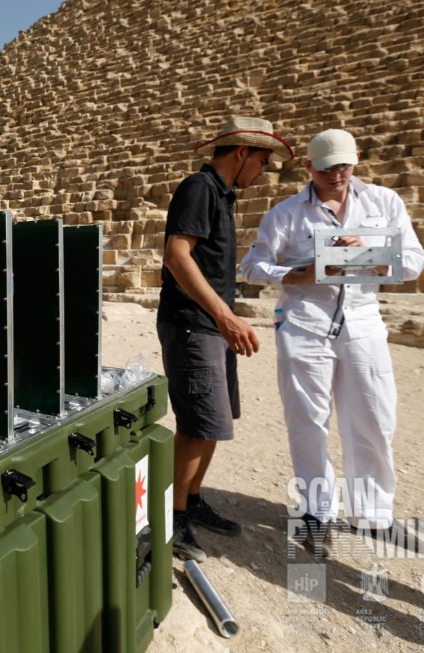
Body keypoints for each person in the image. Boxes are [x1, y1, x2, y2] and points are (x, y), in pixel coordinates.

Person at [239, 128, 424, 549]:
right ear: (308, 167)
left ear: (356, 159)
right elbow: (252, 266)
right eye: (326, 169)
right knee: (308, 420)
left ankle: (374, 513)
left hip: (363, 321)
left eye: (343, 165)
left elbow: (413, 261)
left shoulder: (383, 202)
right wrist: (299, 272)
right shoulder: (286, 213)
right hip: (305, 320)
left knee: (375, 418)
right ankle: (316, 513)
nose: (336, 175)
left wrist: (370, 249)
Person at [158, 115, 294, 562]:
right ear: (242, 153)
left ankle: (192, 501)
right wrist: (225, 317)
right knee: (197, 424)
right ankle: (173, 519)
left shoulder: (222, 195)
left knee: (215, 420)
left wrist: (225, 319)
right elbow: (178, 256)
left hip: (212, 324)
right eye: (262, 162)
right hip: (195, 324)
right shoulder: (199, 188)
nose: (263, 172)